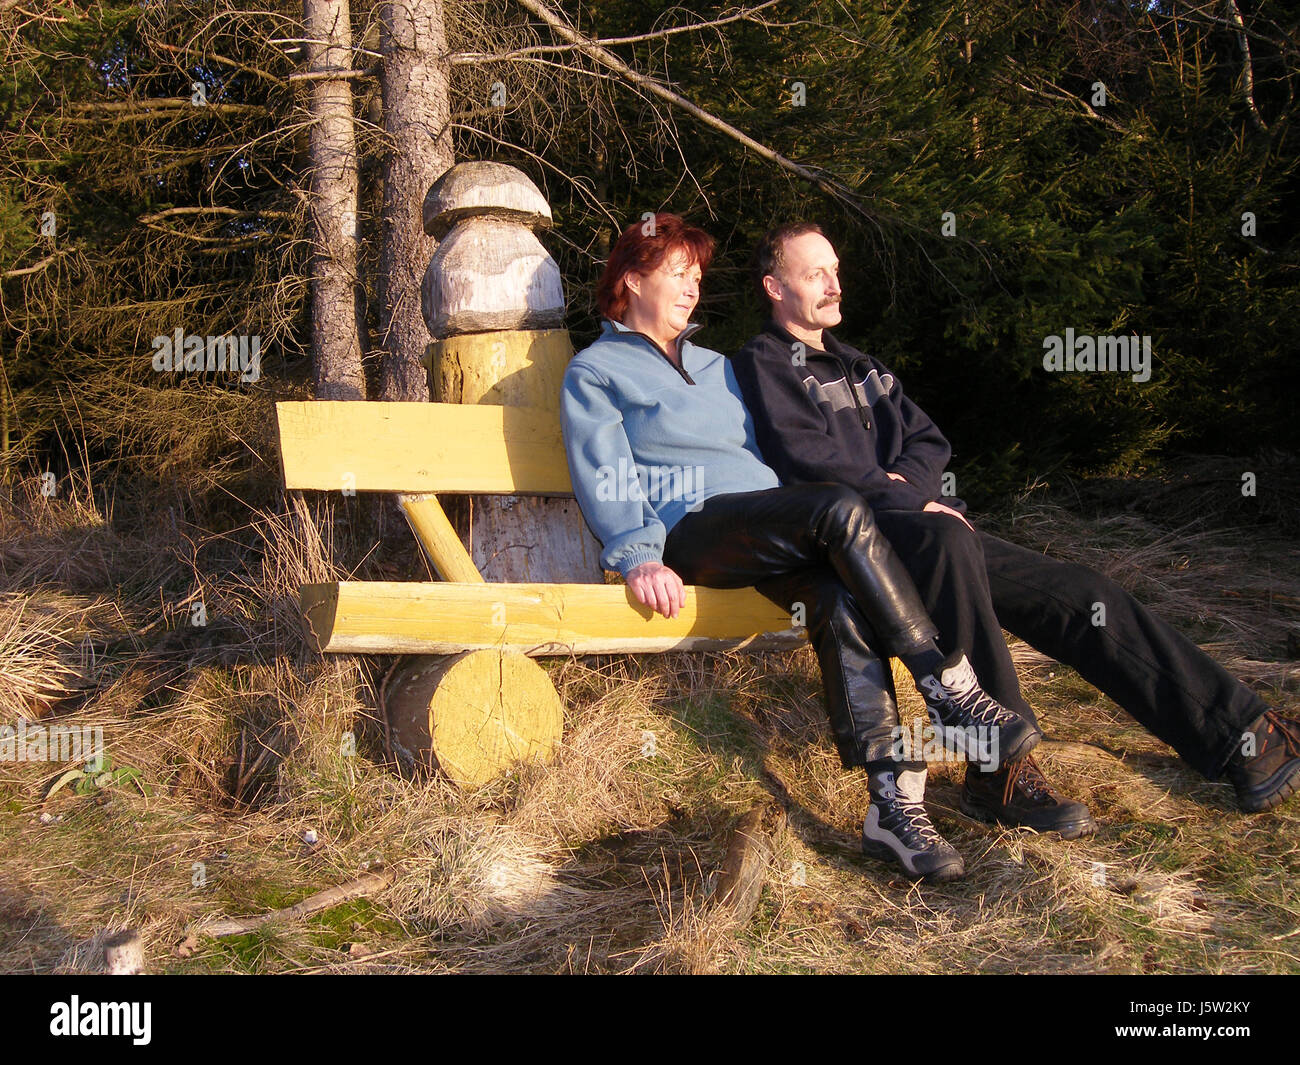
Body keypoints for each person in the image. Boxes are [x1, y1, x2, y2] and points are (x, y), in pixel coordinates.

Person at [730, 221, 1300, 820]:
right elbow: (809, 460)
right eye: (814, 273)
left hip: (929, 531)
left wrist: (917, 494)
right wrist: (909, 503)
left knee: (1083, 594)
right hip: (858, 549)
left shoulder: (863, 366)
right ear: (774, 286)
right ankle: (1000, 773)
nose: (833, 284)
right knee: (949, 535)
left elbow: (928, 442)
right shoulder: (765, 363)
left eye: (836, 270)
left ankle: (1246, 734)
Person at [560, 213, 1071, 883]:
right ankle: (944, 683)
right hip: (696, 530)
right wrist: (637, 551)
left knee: (837, 598)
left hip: (768, 524)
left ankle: (891, 806)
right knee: (836, 505)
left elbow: (782, 441)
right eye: (676, 274)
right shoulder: (596, 370)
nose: (691, 288)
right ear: (630, 280)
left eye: (697, 276)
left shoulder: (717, 365)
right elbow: (604, 466)